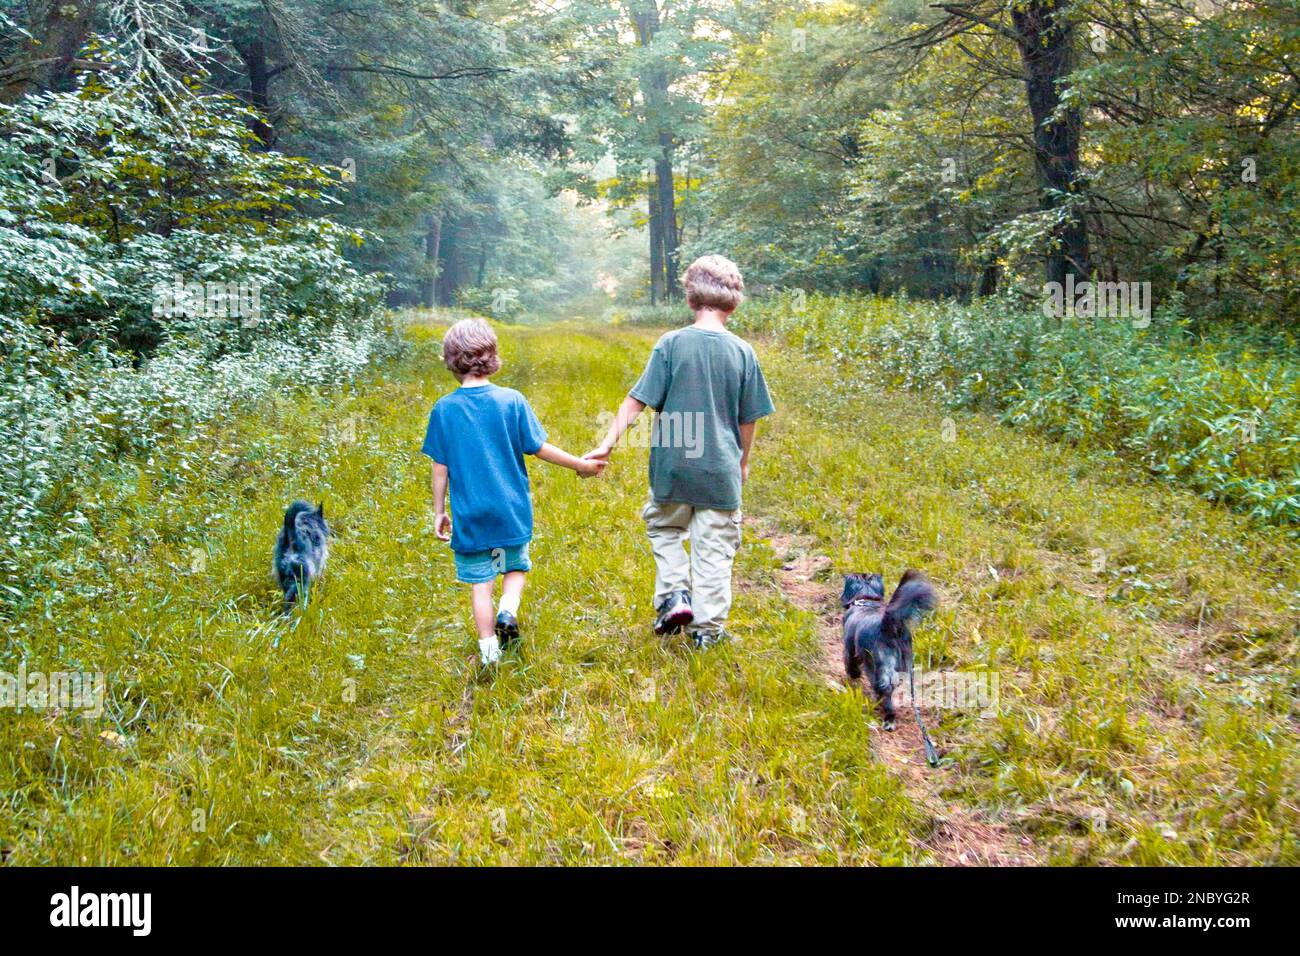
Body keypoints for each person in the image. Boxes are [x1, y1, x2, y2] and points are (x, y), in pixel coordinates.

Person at [587, 255, 775, 648]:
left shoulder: (670, 344)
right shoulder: (743, 352)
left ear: (690, 299)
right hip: (719, 470)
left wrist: (606, 444)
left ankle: (674, 595)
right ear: (734, 302)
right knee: (715, 548)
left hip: (672, 467)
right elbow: (748, 420)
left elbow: (637, 400)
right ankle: (706, 632)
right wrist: (742, 463)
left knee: (665, 527)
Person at [424, 318, 604, 665]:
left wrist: (439, 510)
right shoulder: (511, 401)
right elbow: (539, 447)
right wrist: (579, 465)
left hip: (472, 515)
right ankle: (508, 608)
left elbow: (439, 466)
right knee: (514, 568)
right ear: (491, 357)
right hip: (510, 509)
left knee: (480, 584)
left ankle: (489, 654)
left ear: (451, 361)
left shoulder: (444, 410)